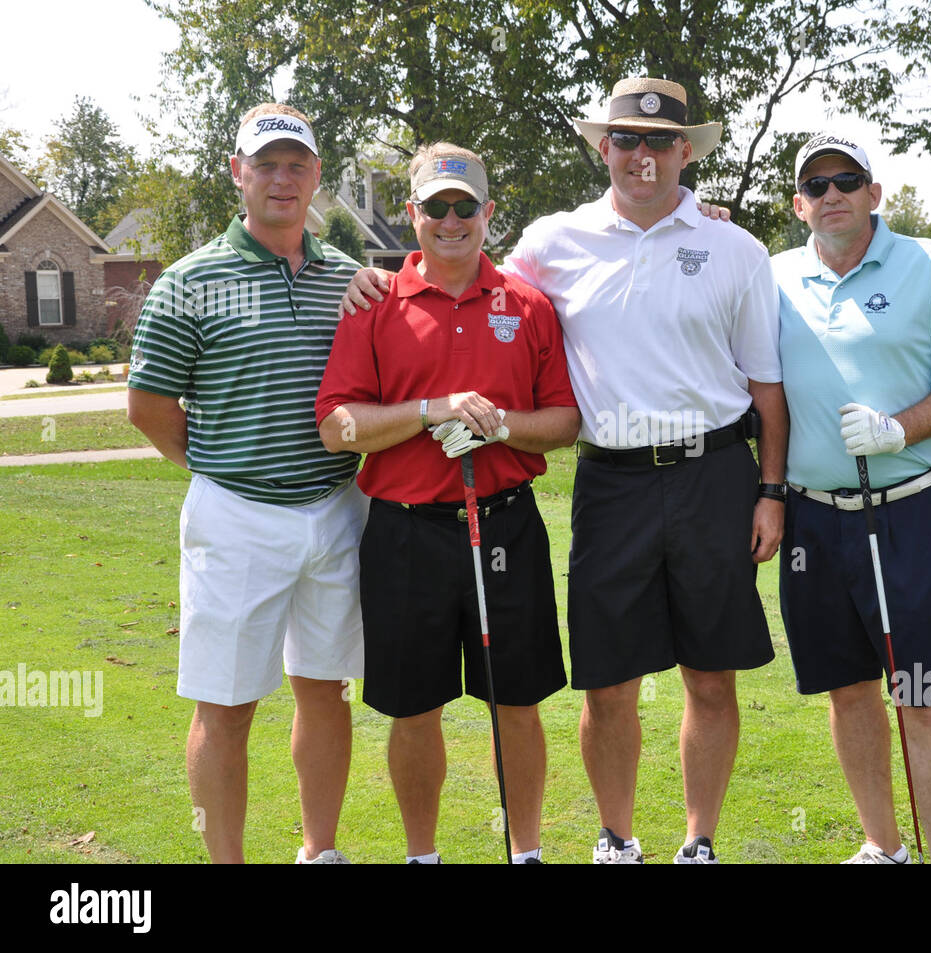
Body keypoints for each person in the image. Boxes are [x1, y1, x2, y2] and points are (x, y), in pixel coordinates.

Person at [342, 76, 787, 863]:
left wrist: (771, 491)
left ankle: (700, 840)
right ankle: (616, 838)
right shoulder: (553, 242)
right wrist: (371, 271)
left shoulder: (735, 247)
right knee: (607, 680)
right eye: (625, 140)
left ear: (685, 150)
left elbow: (766, 387)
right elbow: (465, 277)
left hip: (713, 473)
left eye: (658, 142)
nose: (641, 156)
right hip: (610, 481)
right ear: (603, 148)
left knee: (711, 677)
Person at [315, 143, 579, 864]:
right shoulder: (374, 303)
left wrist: (497, 422)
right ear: (413, 214)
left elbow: (563, 422)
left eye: (467, 206)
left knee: (517, 704)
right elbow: (338, 427)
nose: (452, 220)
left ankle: (524, 851)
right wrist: (430, 410)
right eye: (437, 207)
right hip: (404, 534)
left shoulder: (526, 304)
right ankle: (422, 855)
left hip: (506, 525)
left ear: (489, 214)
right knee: (413, 707)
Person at [127, 103, 366, 864]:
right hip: (235, 515)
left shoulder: (351, 281)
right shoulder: (189, 281)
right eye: (266, 164)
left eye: (297, 164)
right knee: (226, 706)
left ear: (317, 177)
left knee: (325, 689)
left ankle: (318, 850)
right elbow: (149, 406)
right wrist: (221, 466)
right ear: (238, 172)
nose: (283, 179)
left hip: (336, 509)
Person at [772, 132, 931, 864]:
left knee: (923, 696)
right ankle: (883, 844)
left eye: (847, 179)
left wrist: (900, 428)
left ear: (875, 192)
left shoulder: (930, 262)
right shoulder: (771, 275)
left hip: (907, 508)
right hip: (811, 516)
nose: (831, 192)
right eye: (816, 182)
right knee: (847, 691)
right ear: (799, 202)